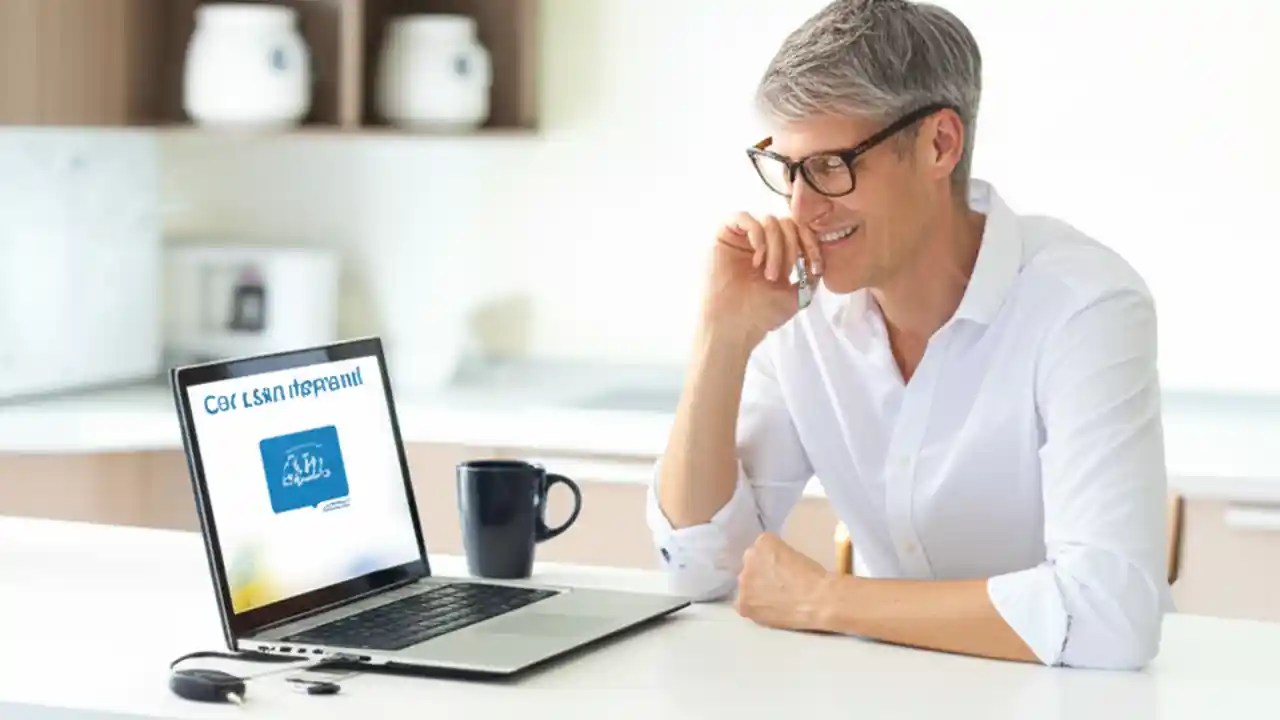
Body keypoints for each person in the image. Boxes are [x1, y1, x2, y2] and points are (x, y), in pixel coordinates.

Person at [647, 0, 1171, 670]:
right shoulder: (797, 312)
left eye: (832, 165)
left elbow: (1109, 621)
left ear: (938, 145)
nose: (802, 209)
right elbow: (698, 568)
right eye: (788, 169)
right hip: (894, 690)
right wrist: (722, 337)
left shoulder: (1085, 306)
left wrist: (827, 600)